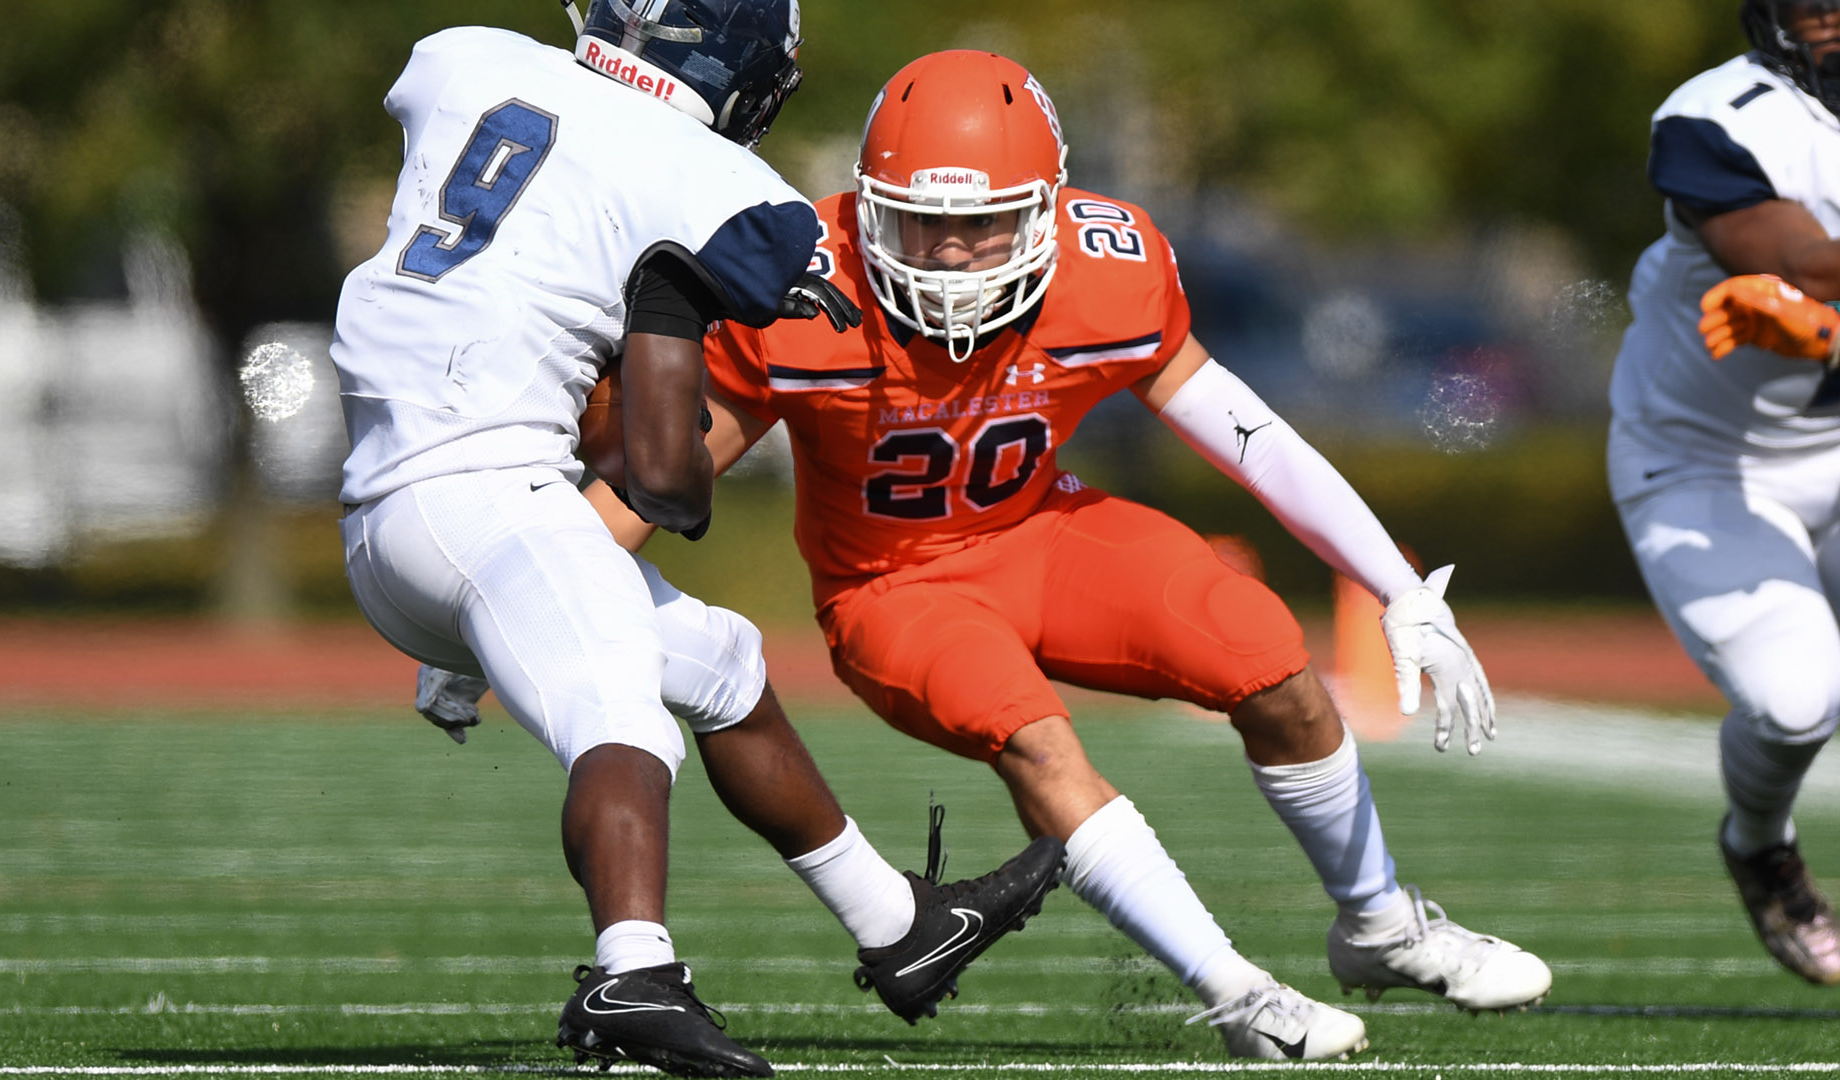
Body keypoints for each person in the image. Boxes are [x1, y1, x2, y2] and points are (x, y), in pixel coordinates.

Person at [572, 48, 1552, 1061]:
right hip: (892, 586)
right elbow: (654, 487)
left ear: (1048, 206)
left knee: (1270, 657)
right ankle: (1239, 995)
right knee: (1039, 738)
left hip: (1039, 531)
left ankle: (1382, 925)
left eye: (981, 222)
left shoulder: (1110, 274)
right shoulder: (798, 283)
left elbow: (1253, 438)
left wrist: (1393, 584)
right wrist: (497, 597)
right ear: (867, 209)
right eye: (921, 221)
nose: (949, 253)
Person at [331, 5, 1060, 1075]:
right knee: (622, 712)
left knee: (721, 663)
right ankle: (632, 974)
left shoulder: (465, 57)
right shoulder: (705, 176)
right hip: (485, 504)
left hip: (392, 512)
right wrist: (671, 310)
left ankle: (897, 927)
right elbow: (669, 482)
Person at [1607, 0, 1840, 1021]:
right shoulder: (1716, 118)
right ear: (1777, 19)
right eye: (1827, 7)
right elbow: (1810, 272)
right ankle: (1760, 844)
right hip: (1707, 461)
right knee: (1794, 699)